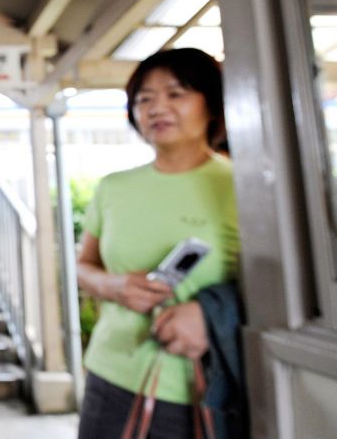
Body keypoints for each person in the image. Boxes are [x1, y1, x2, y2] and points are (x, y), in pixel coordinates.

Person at [76, 48, 242, 438]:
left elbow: (286, 289)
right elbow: (84, 265)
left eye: (176, 93)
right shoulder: (112, 188)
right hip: (108, 376)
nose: (156, 107)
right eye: (144, 98)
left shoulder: (244, 186)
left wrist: (210, 315)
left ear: (212, 104)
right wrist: (112, 286)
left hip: (199, 387)